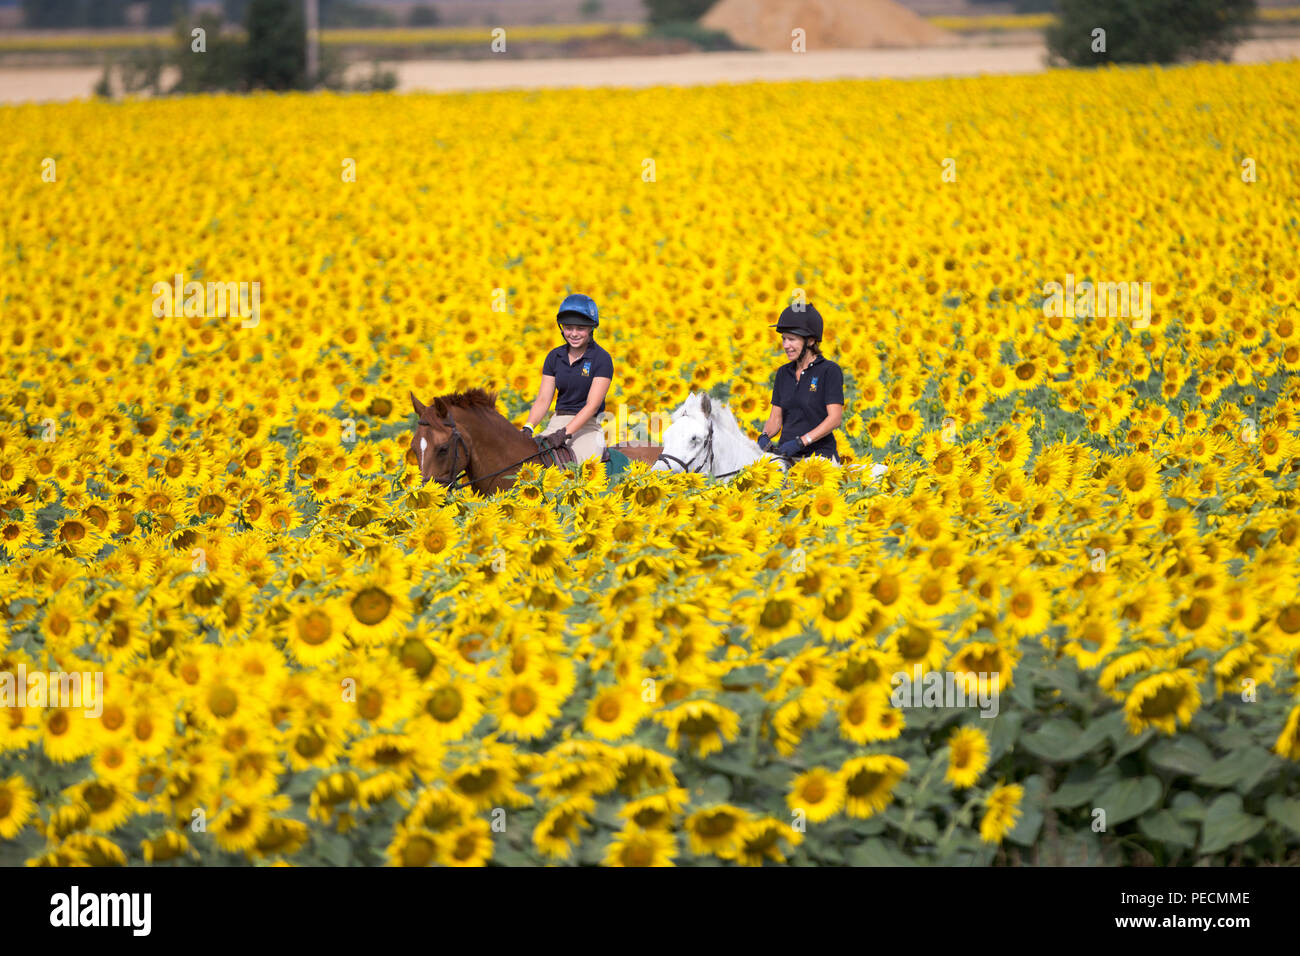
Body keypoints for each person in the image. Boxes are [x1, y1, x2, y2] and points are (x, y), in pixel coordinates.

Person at [520, 293, 612, 463]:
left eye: (580, 328)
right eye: (568, 328)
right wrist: (528, 427)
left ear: (591, 328)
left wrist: (565, 433)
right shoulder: (554, 356)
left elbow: (592, 406)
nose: (574, 333)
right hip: (556, 422)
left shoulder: (602, 359)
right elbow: (543, 399)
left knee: (580, 468)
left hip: (588, 427)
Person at [757, 303, 844, 469]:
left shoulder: (829, 371)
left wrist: (802, 442)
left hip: (820, 459)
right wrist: (764, 435)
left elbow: (835, 419)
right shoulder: (783, 373)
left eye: (792, 339)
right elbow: (776, 418)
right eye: (784, 339)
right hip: (786, 456)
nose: (785, 345)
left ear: (810, 341)